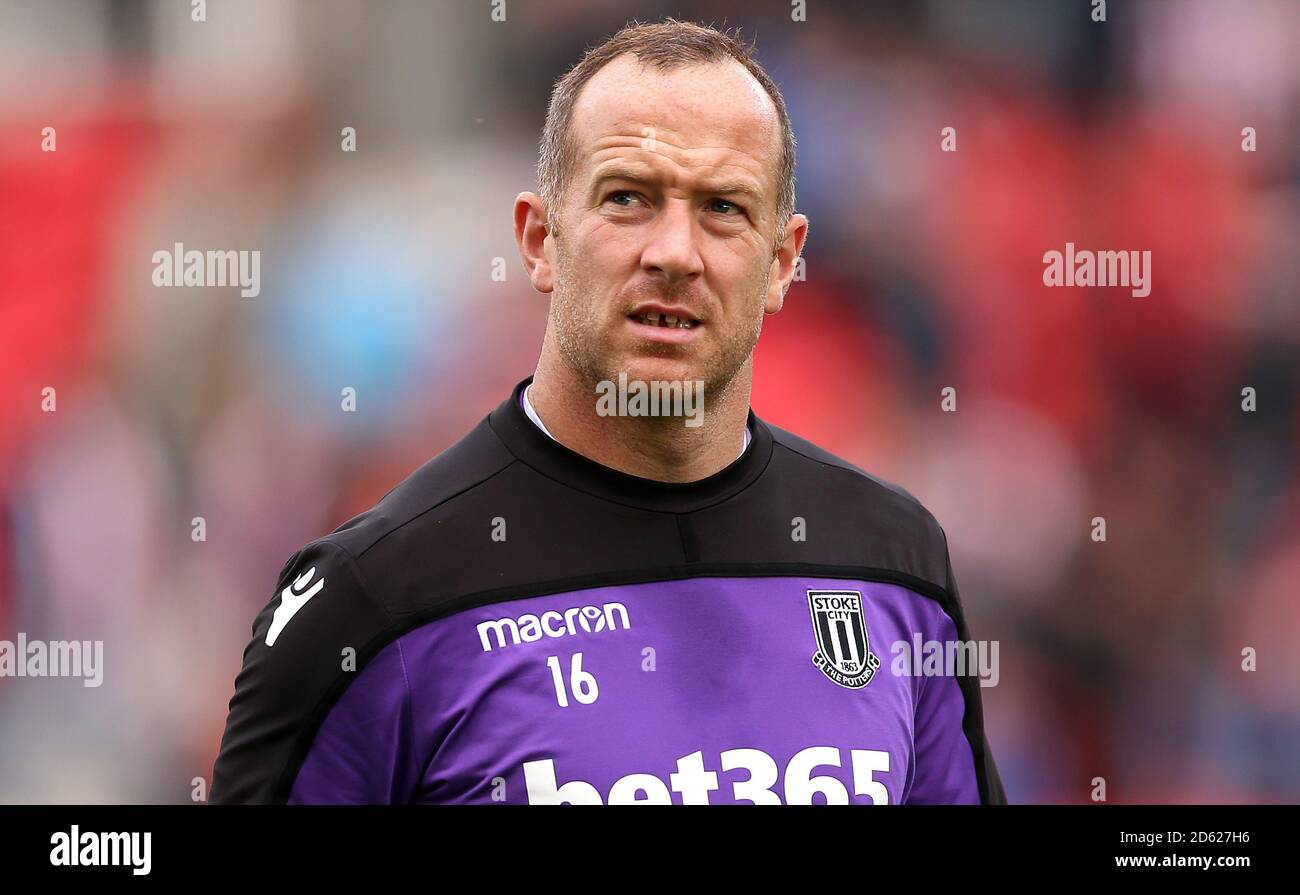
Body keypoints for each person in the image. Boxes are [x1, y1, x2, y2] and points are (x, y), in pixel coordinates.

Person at [211, 18, 1006, 805]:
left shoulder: (895, 561)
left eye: (723, 207)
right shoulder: (372, 599)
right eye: (628, 198)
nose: (673, 253)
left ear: (782, 260)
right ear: (540, 239)